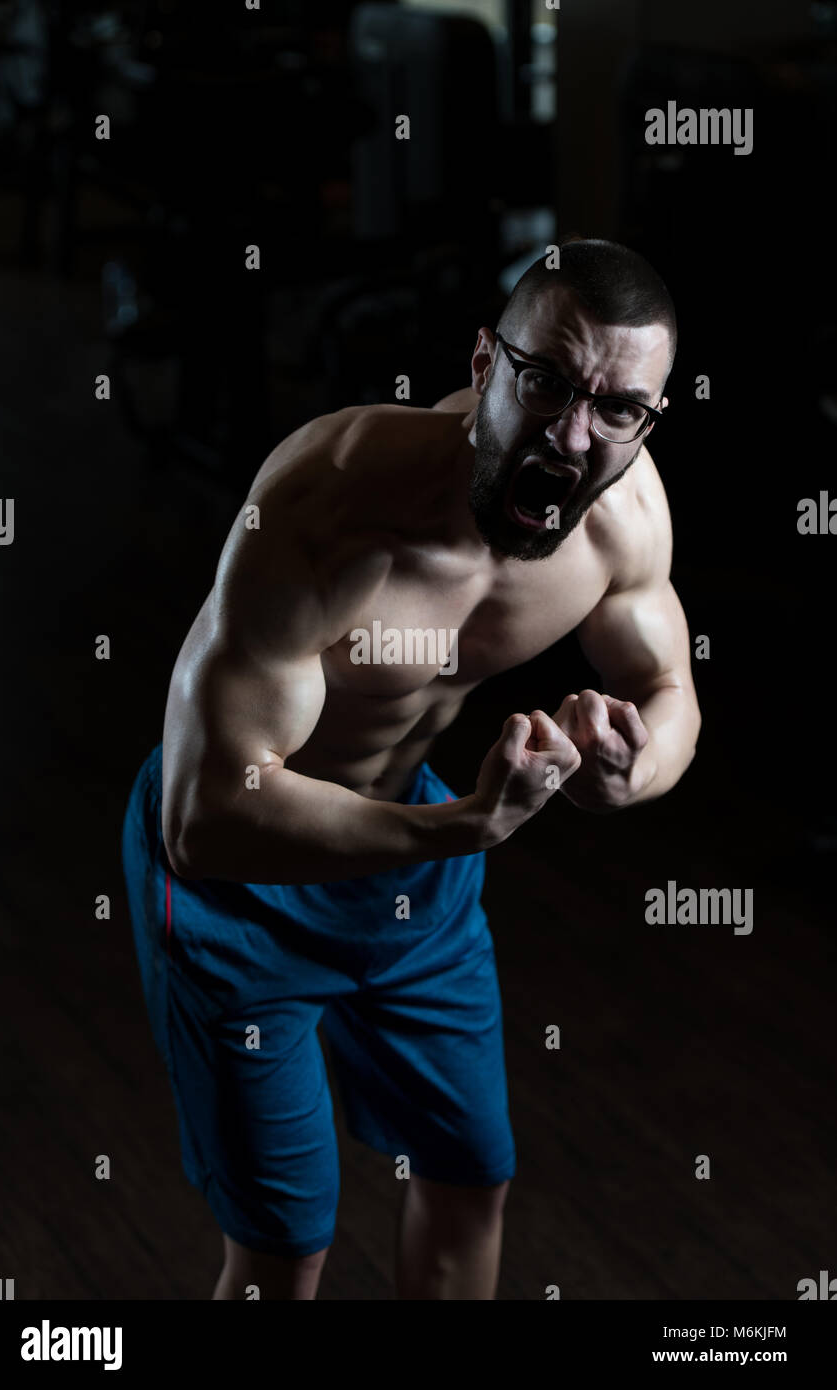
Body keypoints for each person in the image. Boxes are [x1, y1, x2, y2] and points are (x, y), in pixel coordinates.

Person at [122, 239, 701, 1300]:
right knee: (283, 1244)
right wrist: (467, 829)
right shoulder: (329, 503)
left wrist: (633, 765)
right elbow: (202, 815)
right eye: (546, 383)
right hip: (237, 893)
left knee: (469, 1175)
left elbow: (671, 696)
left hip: (409, 874)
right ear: (484, 362)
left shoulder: (621, 517)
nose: (574, 437)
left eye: (618, 409)